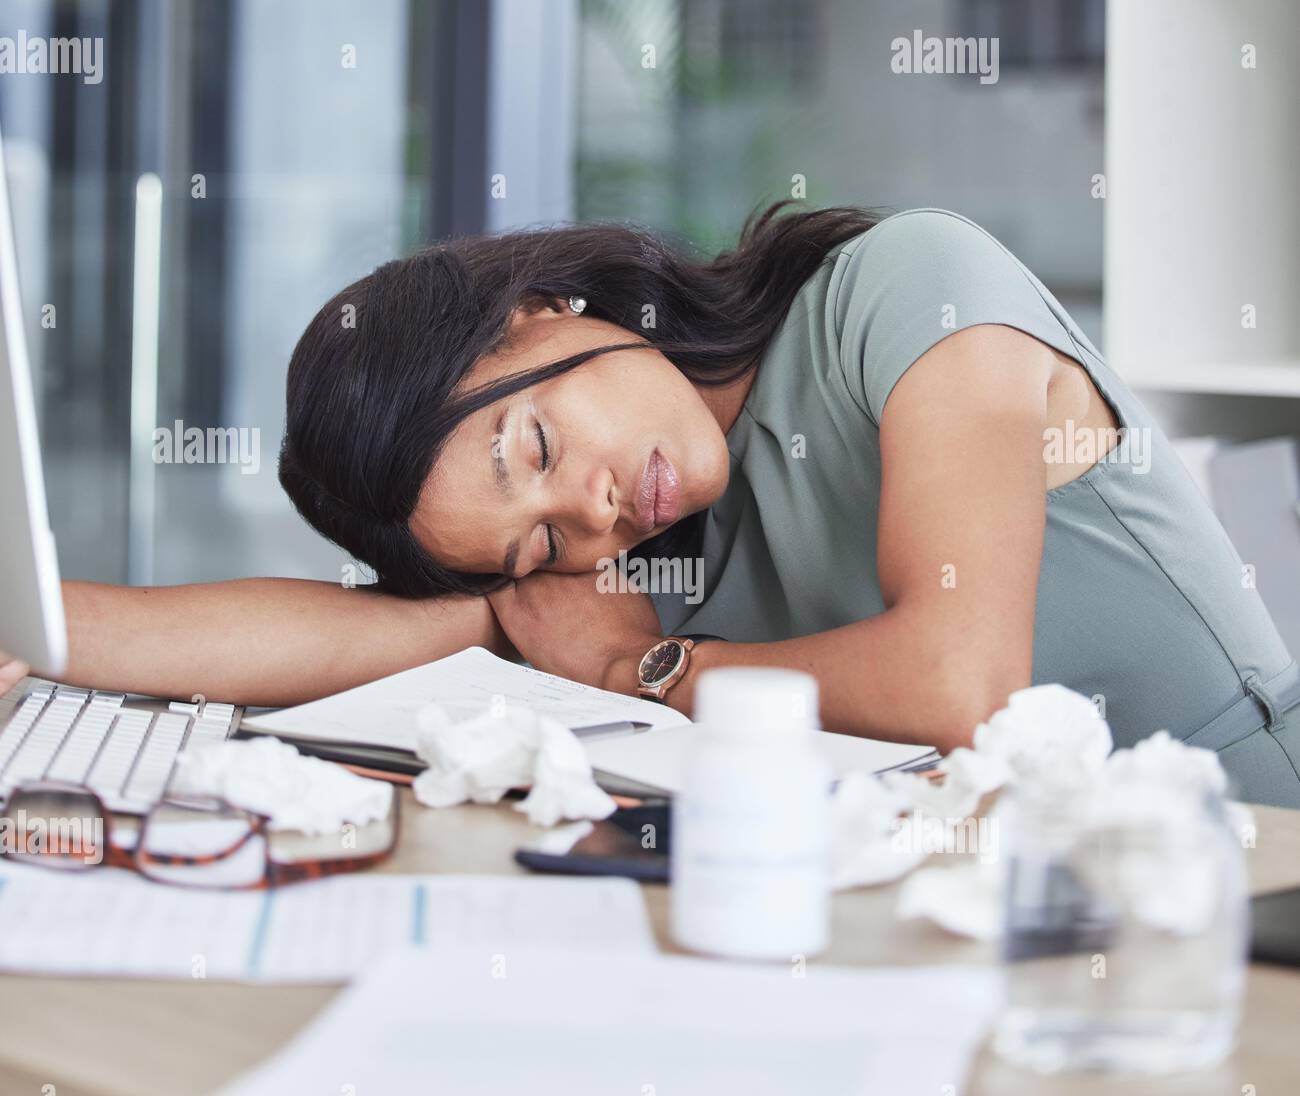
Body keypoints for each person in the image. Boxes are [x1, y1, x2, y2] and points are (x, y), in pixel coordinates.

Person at [5, 205, 1298, 805]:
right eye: (540, 542)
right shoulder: (657, 544)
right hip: (1042, 926)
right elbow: (346, 638)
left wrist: (646, 664)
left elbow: (964, 684)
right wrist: (37, 628)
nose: (594, 512)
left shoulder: (916, 289)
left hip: (1260, 872)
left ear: (539, 313)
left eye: (535, 445)